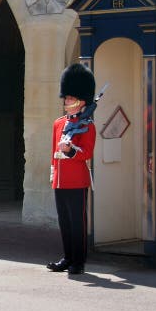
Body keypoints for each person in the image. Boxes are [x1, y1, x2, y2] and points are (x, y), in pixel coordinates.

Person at [47, 63, 96, 276]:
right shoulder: (59, 123)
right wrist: (53, 175)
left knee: (78, 223)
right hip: (60, 179)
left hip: (77, 180)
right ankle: (67, 257)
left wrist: (70, 150)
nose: (66, 101)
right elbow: (52, 152)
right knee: (64, 222)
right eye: (66, 98)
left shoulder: (88, 125)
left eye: (70, 98)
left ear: (81, 101)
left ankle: (79, 261)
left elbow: (87, 153)